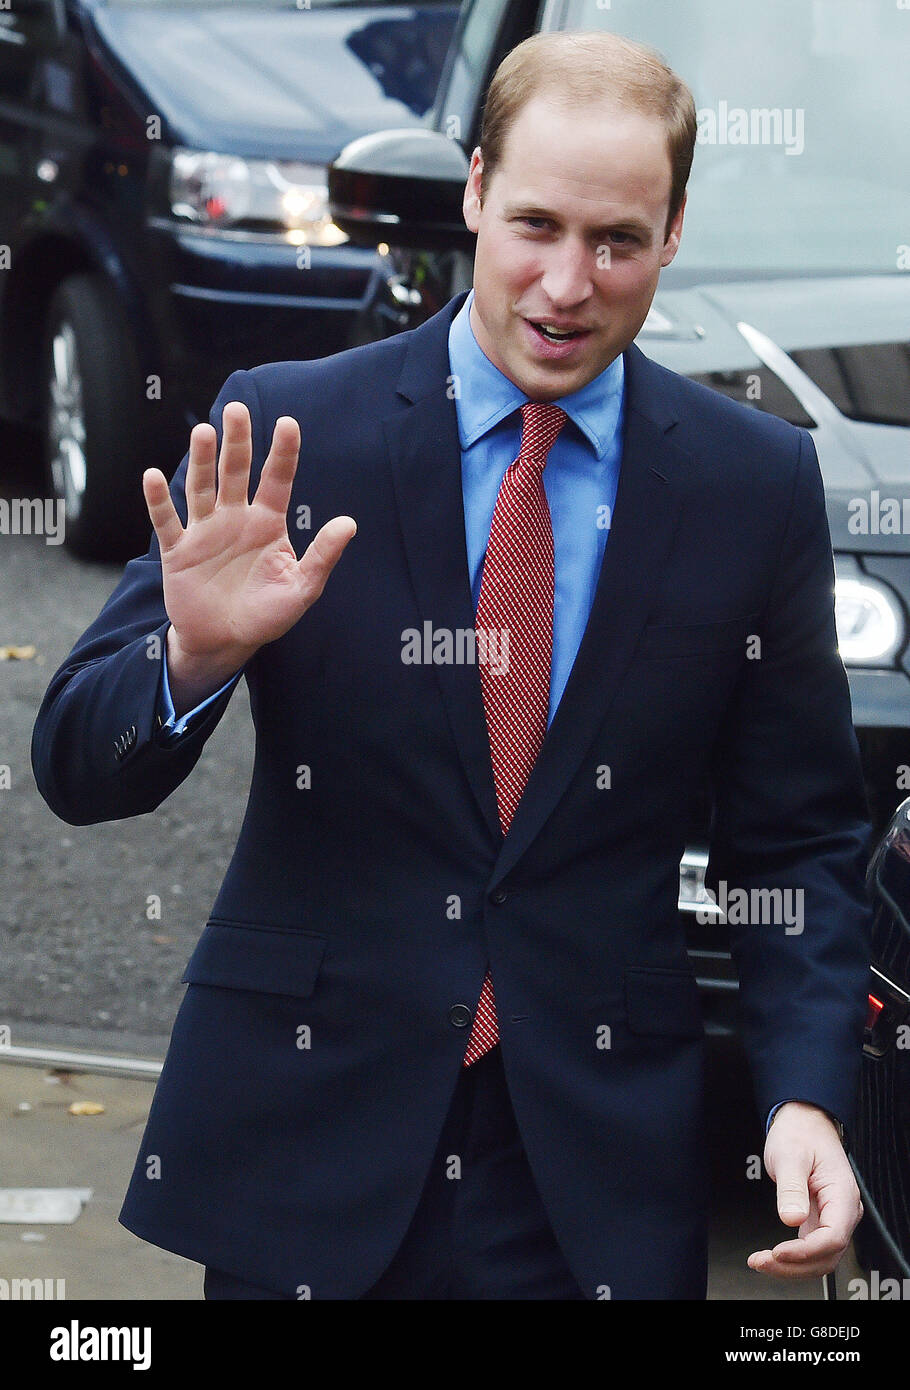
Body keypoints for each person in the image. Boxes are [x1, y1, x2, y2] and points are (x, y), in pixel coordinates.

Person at [31, 30, 871, 1300]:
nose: (568, 283)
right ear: (473, 191)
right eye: (534, 223)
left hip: (588, 1174)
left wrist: (806, 1095)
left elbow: (798, 845)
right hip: (305, 1144)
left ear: (674, 232)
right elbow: (74, 769)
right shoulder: (295, 430)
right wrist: (186, 659)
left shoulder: (754, 487)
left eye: (616, 241)